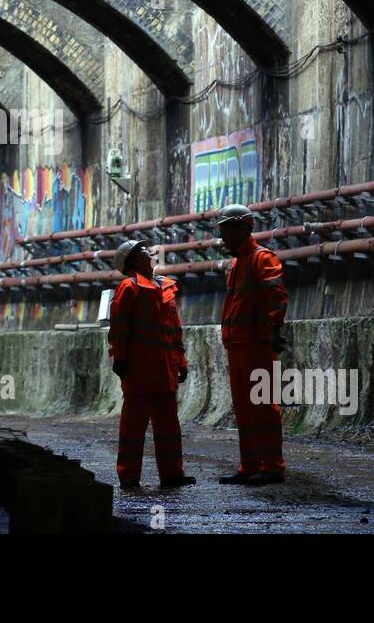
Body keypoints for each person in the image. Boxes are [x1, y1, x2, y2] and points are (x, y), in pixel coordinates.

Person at [106, 239, 196, 489]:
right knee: (133, 428)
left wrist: (181, 360)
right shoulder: (129, 288)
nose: (150, 253)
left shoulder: (165, 287)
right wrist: (120, 358)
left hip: (165, 369)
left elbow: (174, 331)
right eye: (144, 251)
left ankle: (172, 475)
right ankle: (129, 476)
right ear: (133, 260)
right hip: (139, 369)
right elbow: (119, 328)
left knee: (169, 427)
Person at [215, 204, 289, 486]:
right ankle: (249, 465)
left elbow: (277, 296)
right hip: (238, 345)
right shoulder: (237, 265)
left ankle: (272, 466)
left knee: (262, 405)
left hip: (257, 344)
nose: (223, 236)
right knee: (244, 407)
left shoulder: (261, 258)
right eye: (222, 230)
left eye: (227, 229)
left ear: (245, 227)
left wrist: (273, 330)